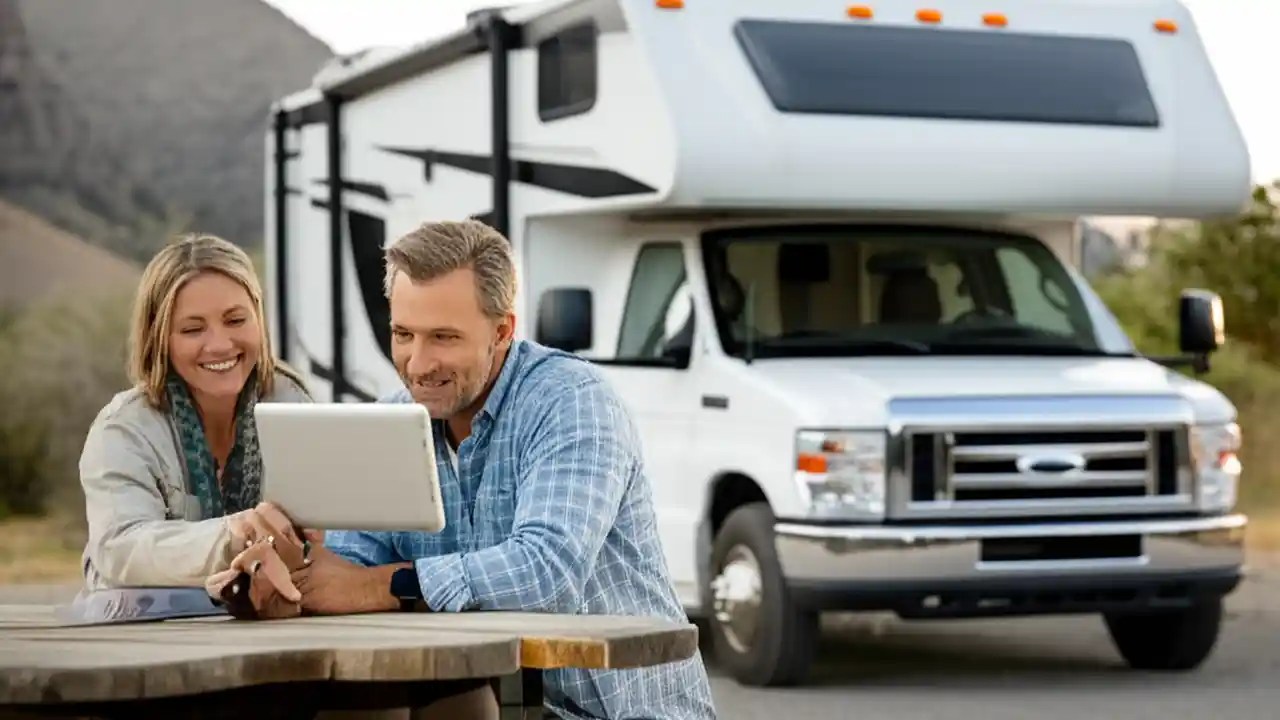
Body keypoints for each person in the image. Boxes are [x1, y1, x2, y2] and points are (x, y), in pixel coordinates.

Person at [232, 220, 718, 719]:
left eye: (443, 337)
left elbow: (547, 571)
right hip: (494, 703)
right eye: (403, 334)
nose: (418, 364)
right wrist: (295, 580)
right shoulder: (392, 419)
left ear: (503, 330)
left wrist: (381, 586)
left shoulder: (572, 400)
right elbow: (349, 570)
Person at [77, 233, 313, 597]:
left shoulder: (292, 404)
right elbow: (118, 549)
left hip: (269, 622)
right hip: (147, 632)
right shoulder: (123, 430)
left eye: (236, 321)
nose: (219, 344)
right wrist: (232, 535)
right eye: (192, 329)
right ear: (160, 339)